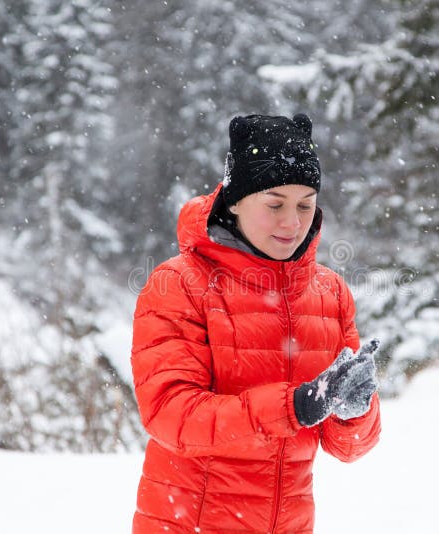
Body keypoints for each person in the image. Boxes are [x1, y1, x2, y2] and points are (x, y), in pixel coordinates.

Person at [130, 113, 381, 533]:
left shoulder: (331, 294)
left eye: (305, 204)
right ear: (234, 201)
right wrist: (294, 406)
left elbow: (347, 447)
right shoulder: (179, 283)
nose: (292, 222)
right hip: (189, 523)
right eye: (274, 203)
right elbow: (170, 415)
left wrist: (353, 410)